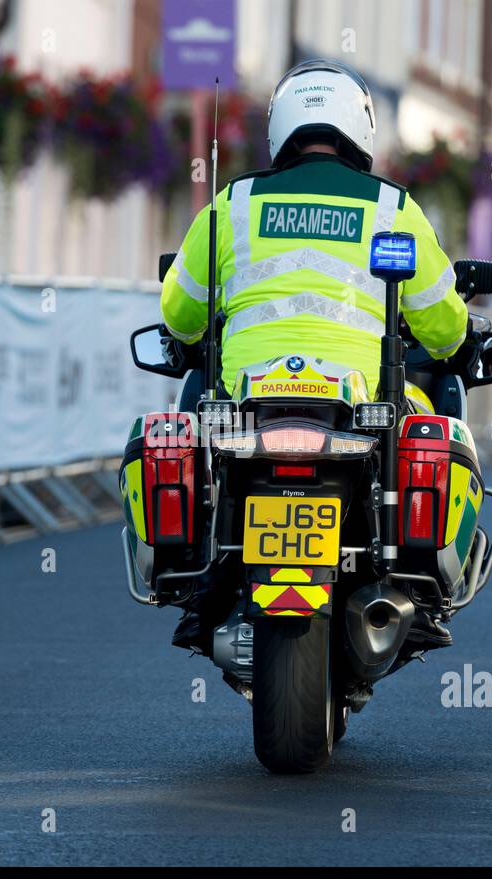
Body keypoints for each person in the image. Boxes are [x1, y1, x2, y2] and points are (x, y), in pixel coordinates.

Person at [158, 58, 468, 650]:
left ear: (282, 128)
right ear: (362, 129)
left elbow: (180, 315)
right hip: (360, 399)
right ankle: (420, 583)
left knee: (196, 407)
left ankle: (203, 578)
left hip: (250, 397)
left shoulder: (233, 204)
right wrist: (454, 343)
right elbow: (444, 325)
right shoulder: (393, 208)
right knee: (436, 417)